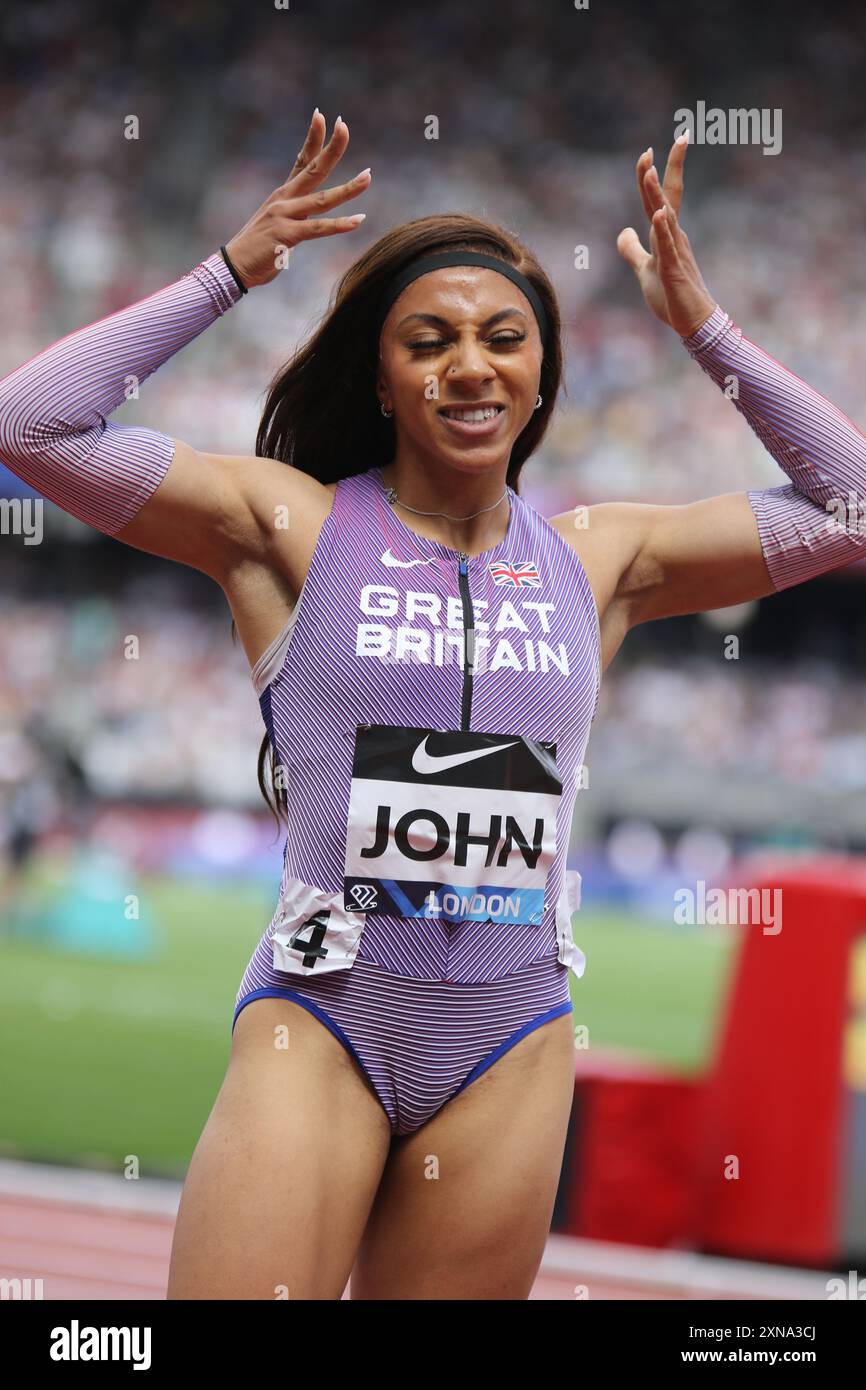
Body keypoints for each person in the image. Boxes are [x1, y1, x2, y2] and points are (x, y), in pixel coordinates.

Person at [1, 110, 864, 1300]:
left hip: (509, 1039)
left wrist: (703, 332)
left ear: (540, 372)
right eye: (431, 339)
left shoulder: (601, 558)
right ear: (382, 374)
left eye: (504, 338)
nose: (471, 363)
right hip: (323, 1021)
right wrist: (230, 271)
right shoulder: (290, 526)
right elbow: (30, 424)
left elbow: (851, 502)